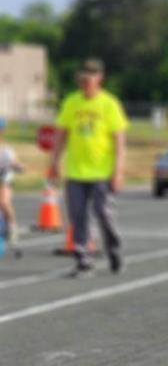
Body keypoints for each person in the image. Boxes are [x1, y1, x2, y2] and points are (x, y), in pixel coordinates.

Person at [49, 58, 128, 277]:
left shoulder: (109, 104)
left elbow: (119, 141)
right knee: (78, 217)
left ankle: (114, 251)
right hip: (76, 171)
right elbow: (61, 135)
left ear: (99, 78)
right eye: (82, 78)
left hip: (102, 172)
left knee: (104, 214)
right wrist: (54, 163)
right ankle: (83, 259)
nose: (85, 81)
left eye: (90, 77)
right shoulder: (71, 102)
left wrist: (118, 171)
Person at [0, 118, 25, 258]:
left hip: (4, 182)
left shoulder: (6, 151)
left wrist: (19, 167)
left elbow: (16, 163)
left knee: (3, 202)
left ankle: (12, 231)